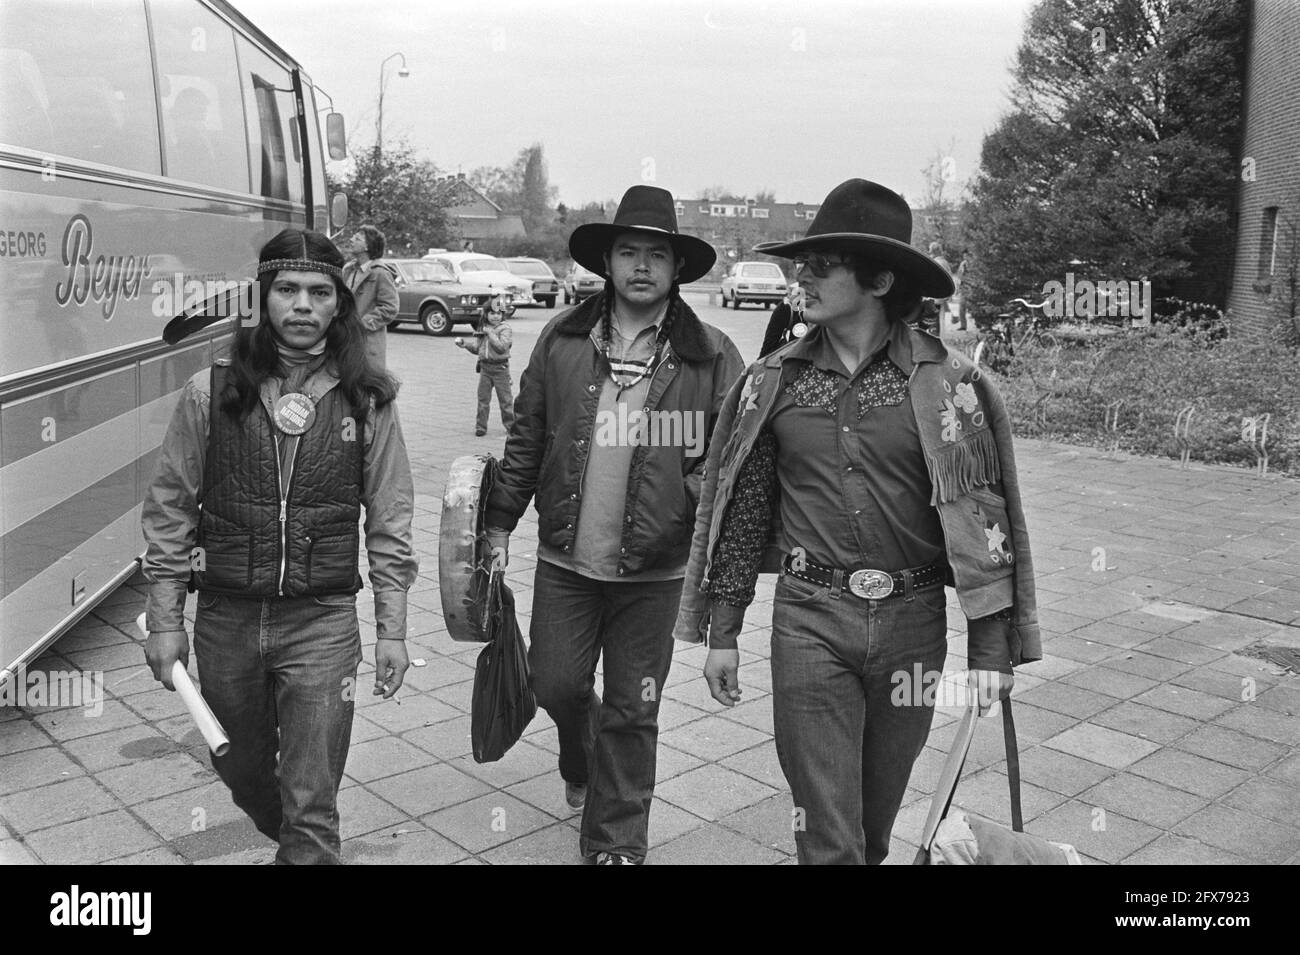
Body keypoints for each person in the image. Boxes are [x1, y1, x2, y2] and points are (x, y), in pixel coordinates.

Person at [674, 179, 1041, 865]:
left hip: (912, 626)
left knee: (872, 831)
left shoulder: (949, 387)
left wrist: (991, 652)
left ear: (877, 277)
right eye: (800, 263)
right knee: (828, 834)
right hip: (810, 620)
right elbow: (742, 512)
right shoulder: (769, 382)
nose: (801, 275)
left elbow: (982, 525)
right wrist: (722, 631)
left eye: (822, 263)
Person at [483, 185, 744, 865]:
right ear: (607, 260)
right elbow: (527, 437)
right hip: (568, 559)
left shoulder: (711, 355)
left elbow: (731, 461)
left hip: (655, 574)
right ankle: (581, 753)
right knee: (556, 684)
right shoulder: (563, 338)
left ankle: (616, 841)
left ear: (677, 267)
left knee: (635, 707)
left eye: (657, 254)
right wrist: (498, 524)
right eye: (628, 251)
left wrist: (685, 505)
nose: (642, 265)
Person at [141, 228, 417, 865]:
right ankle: (290, 834)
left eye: (320, 292)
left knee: (313, 803)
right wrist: (164, 621)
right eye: (286, 289)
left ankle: (304, 847)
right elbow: (170, 509)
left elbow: (391, 518)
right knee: (241, 774)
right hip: (226, 622)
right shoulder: (210, 393)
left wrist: (393, 630)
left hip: (321, 625)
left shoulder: (369, 398)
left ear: (338, 305)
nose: (302, 305)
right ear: (263, 299)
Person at [455, 294, 516, 437]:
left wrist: (490, 333)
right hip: (485, 369)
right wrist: (465, 345)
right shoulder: (483, 328)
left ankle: (511, 428)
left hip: (501, 369)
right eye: (492, 313)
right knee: (483, 400)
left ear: (502, 315)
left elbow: (502, 347)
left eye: (498, 314)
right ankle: (481, 427)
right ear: (486, 314)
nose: (495, 317)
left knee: (505, 401)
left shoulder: (505, 329)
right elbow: (478, 348)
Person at [342, 224, 399, 371]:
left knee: (367, 386)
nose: (351, 239)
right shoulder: (348, 270)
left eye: (357, 238)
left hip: (368, 344)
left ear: (367, 246)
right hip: (345, 341)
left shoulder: (381, 273)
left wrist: (361, 324)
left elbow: (390, 308)